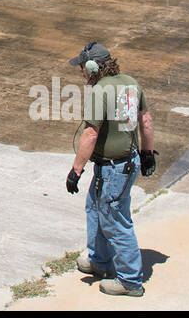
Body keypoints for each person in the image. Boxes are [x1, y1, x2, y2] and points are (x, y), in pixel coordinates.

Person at [64, 42, 157, 297]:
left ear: (92, 67)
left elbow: (90, 134)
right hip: (125, 163)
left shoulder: (98, 91)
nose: (81, 72)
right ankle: (100, 260)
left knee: (115, 219)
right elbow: (146, 120)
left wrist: (76, 170)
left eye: (82, 67)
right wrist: (148, 153)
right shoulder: (131, 83)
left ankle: (130, 280)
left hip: (115, 168)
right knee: (95, 207)